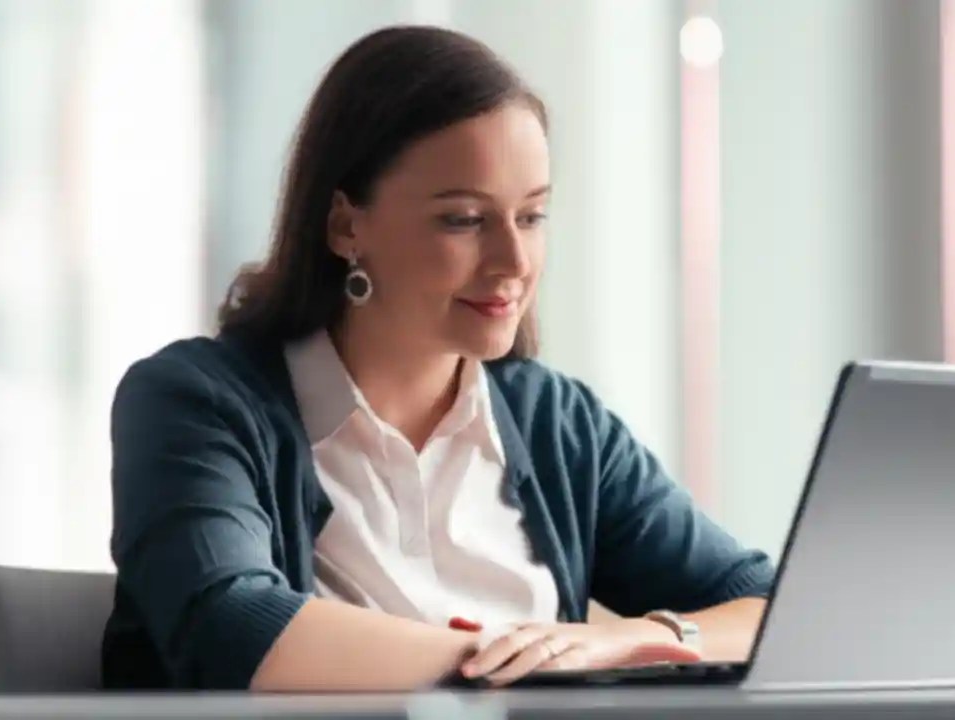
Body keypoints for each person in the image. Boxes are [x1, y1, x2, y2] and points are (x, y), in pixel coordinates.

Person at [103, 25, 773, 692]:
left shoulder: (556, 424)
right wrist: (521, 664)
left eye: (532, 216)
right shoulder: (193, 402)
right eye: (464, 220)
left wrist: (622, 640)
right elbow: (233, 630)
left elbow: (769, 606)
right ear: (345, 225)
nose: (514, 262)